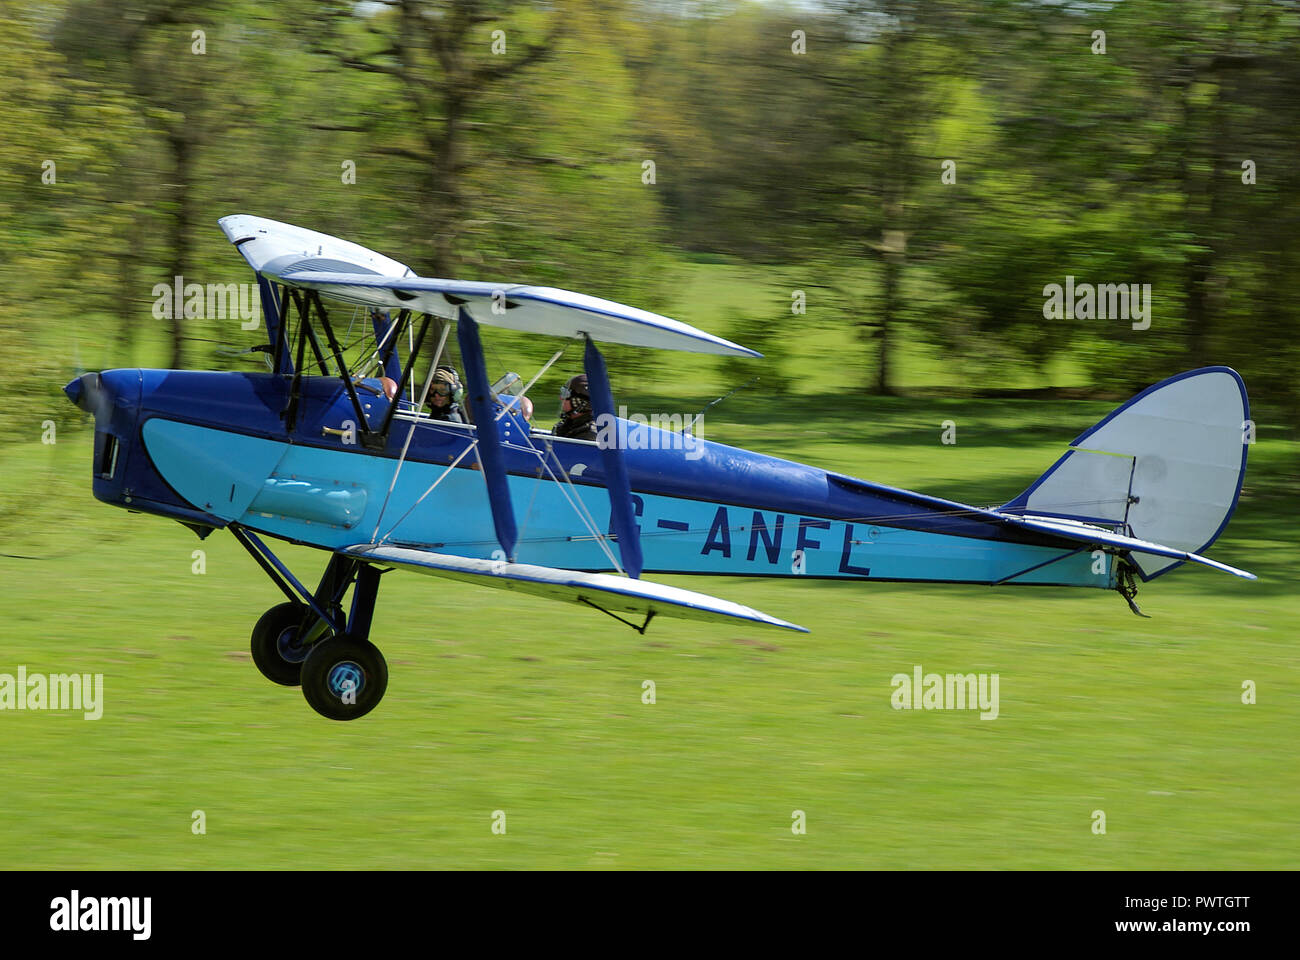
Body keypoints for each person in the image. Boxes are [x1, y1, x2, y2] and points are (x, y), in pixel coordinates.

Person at [553, 373, 597, 440]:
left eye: (565, 394)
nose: (561, 398)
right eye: (562, 392)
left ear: (580, 402)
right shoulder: (567, 424)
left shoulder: (589, 434)